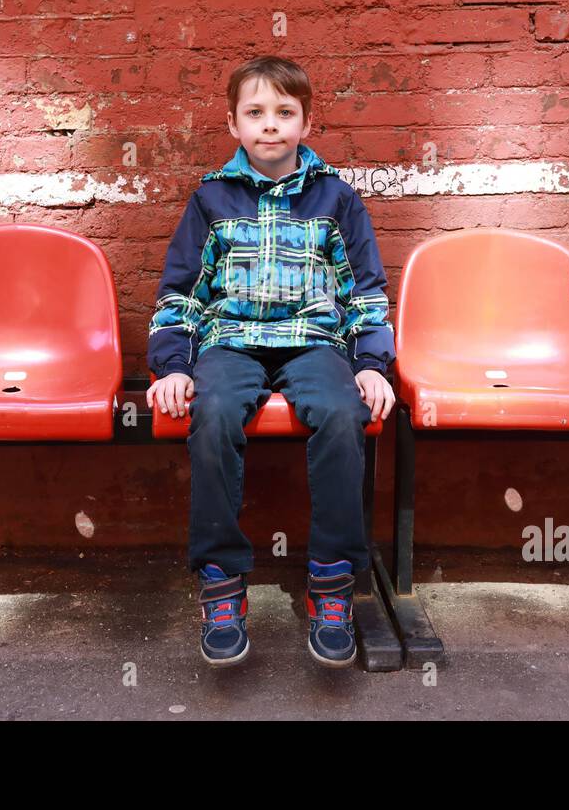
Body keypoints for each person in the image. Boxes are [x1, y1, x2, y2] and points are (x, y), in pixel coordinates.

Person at [145, 55, 396, 668]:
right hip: (229, 341)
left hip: (314, 341)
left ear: (306, 123)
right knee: (214, 413)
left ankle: (333, 581)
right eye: (255, 113)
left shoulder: (337, 199)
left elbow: (365, 289)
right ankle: (221, 581)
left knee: (342, 413)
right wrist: (174, 365)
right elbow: (179, 292)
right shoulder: (210, 199)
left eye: (285, 113)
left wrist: (370, 363)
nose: (270, 125)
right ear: (233, 124)